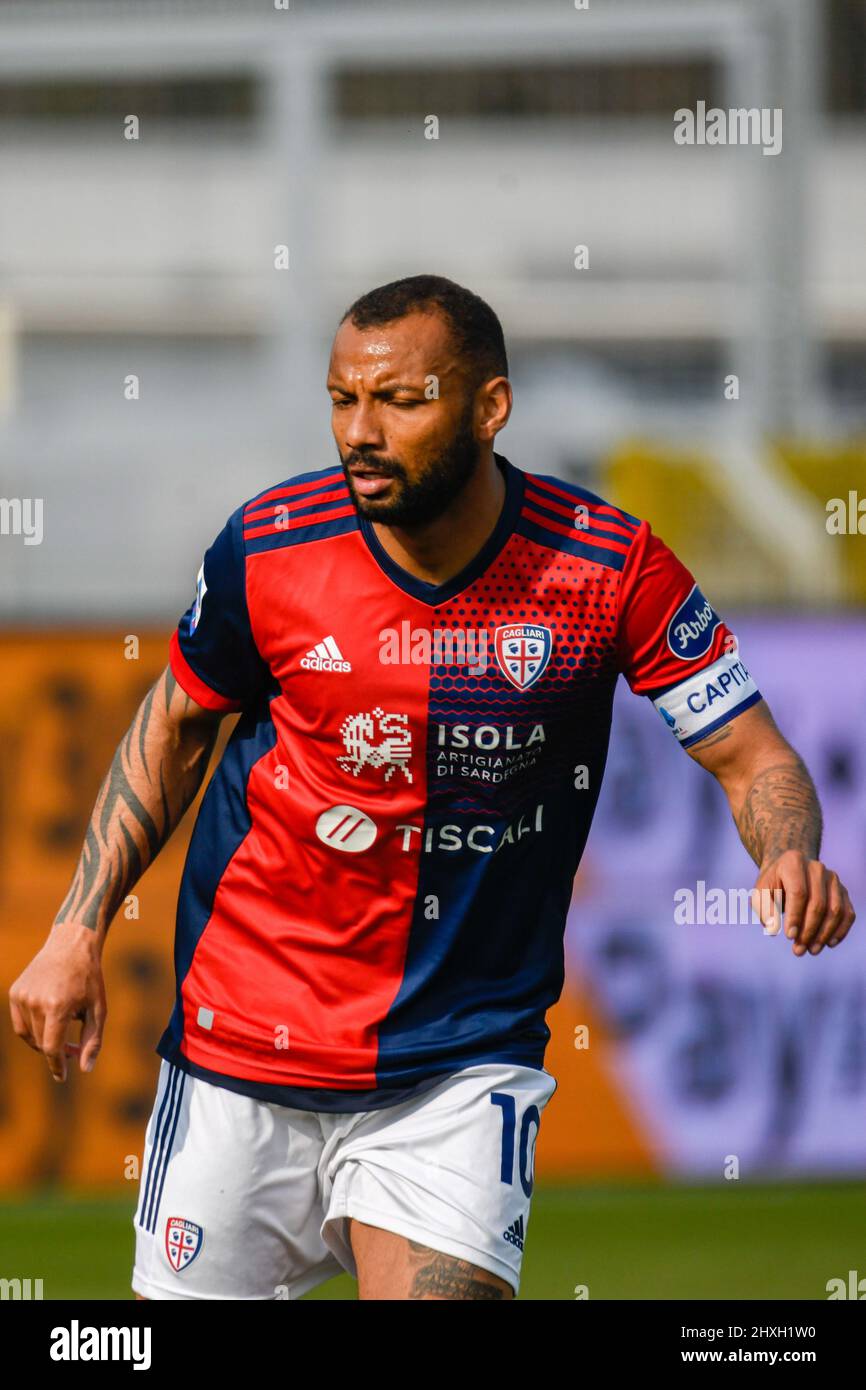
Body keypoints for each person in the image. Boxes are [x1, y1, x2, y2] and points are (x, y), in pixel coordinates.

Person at [9, 274, 855, 1301]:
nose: (360, 431)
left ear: (488, 408)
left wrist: (786, 854)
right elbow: (177, 723)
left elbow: (751, 753)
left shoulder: (603, 566)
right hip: (243, 1045)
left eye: (400, 401)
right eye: (341, 399)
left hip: (458, 1063)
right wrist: (76, 926)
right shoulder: (270, 548)